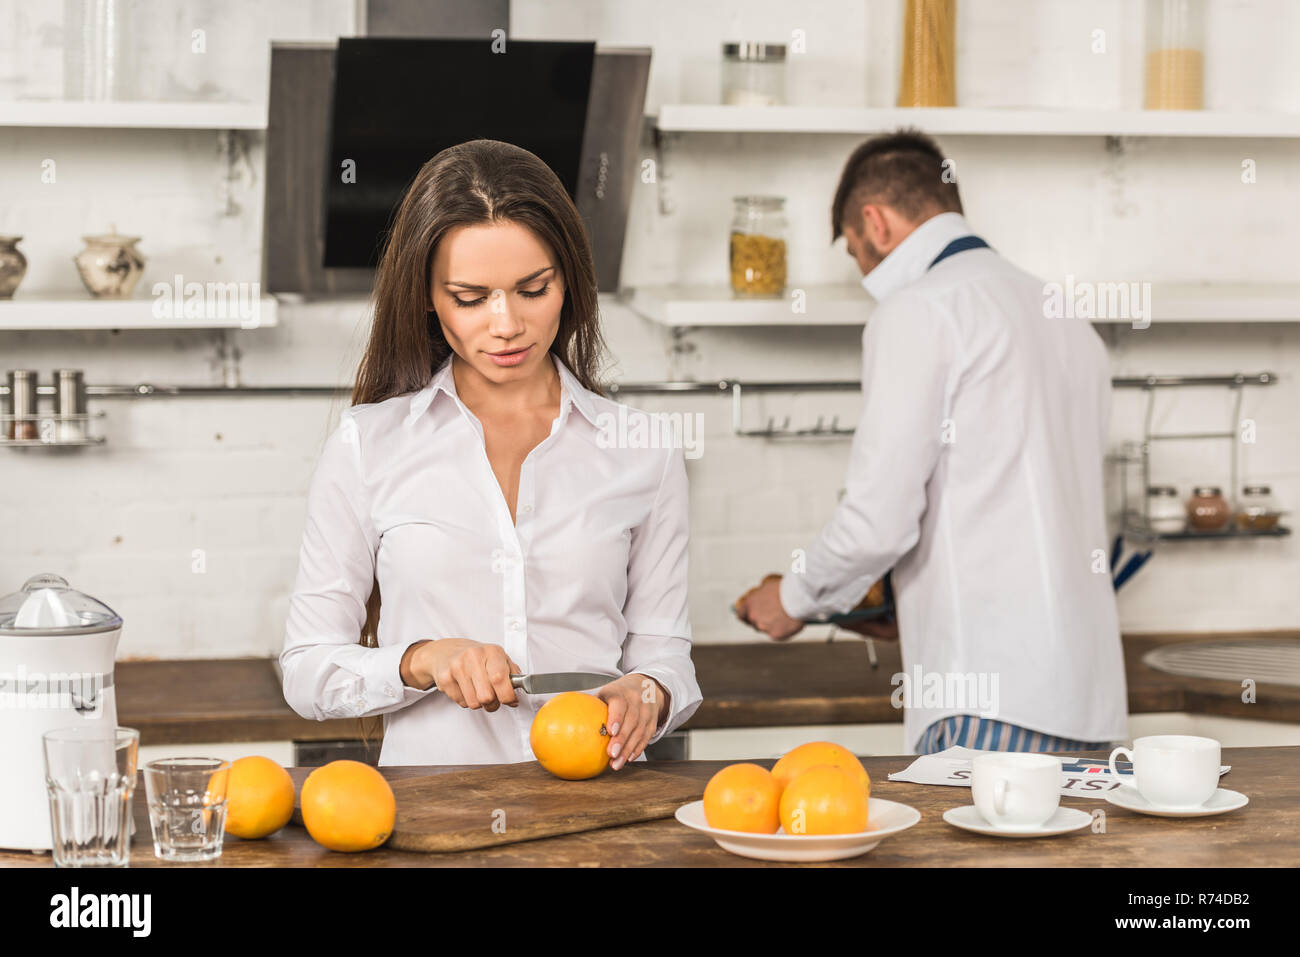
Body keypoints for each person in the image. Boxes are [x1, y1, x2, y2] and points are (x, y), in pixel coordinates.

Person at [281, 139, 702, 766]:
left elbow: (666, 653)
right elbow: (307, 670)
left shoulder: (644, 450)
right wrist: (421, 660)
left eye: (533, 289)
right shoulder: (367, 446)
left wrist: (652, 691)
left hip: (599, 808)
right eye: (471, 298)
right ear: (426, 295)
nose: (505, 325)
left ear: (570, 284)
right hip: (429, 813)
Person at [737, 130, 1127, 755]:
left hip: (987, 704)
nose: (864, 271)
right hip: (1091, 703)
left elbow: (878, 522)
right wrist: (902, 597)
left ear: (876, 223)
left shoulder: (919, 310)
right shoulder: (1068, 319)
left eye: (856, 254)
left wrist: (791, 599)